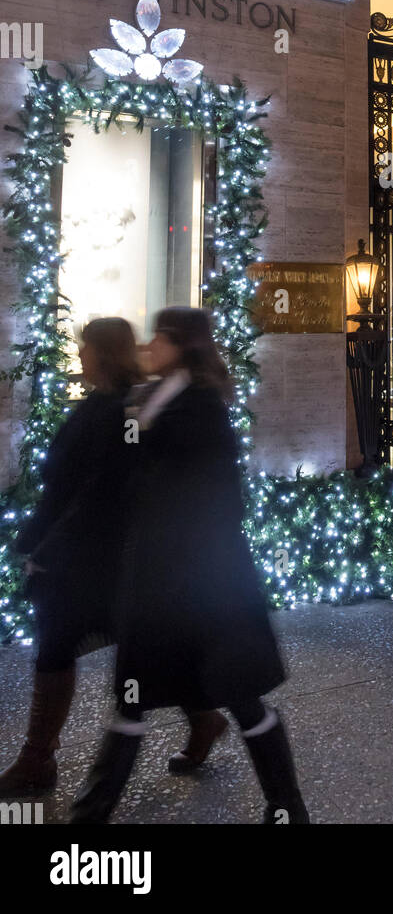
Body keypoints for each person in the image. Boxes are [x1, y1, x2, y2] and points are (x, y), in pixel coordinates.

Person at [69, 307, 309, 825]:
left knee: (234, 696)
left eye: (159, 337)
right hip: (170, 583)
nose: (149, 346)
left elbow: (200, 494)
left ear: (183, 345)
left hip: (200, 585)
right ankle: (91, 813)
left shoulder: (196, 408)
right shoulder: (162, 398)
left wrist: (136, 428)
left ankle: (287, 806)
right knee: (139, 695)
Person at [0, 319, 139, 795]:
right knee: (92, 643)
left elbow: (90, 491)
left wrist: (44, 546)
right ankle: (37, 757)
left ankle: (37, 758)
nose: (80, 355)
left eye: (86, 347)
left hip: (86, 556)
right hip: (86, 552)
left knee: (61, 646)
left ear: (104, 353)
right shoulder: (105, 405)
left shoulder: (118, 410)